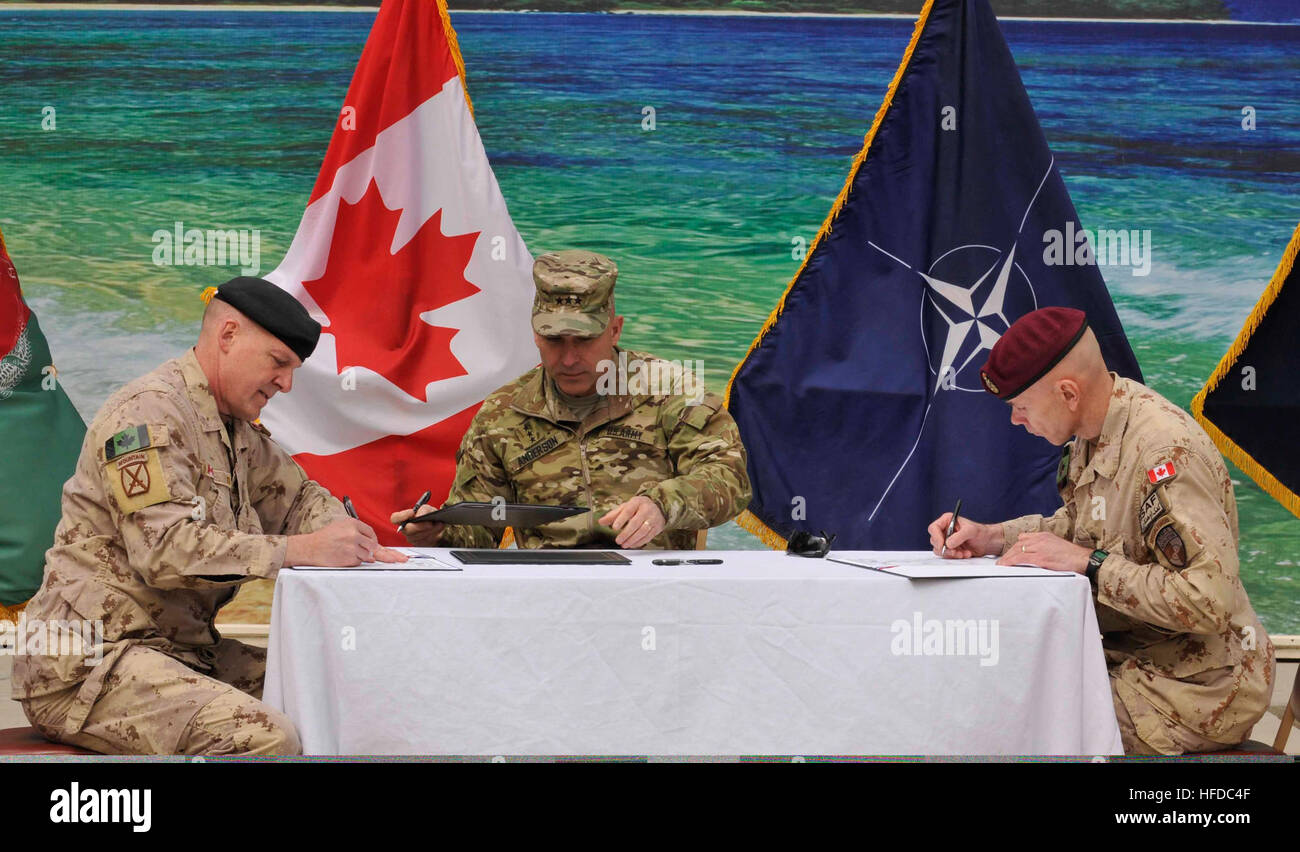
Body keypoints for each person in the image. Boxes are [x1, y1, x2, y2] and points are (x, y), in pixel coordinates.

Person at [11, 276, 406, 756]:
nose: (287, 383)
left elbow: (300, 501)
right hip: (89, 664)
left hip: (179, 654)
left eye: (294, 369)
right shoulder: (147, 416)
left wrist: (355, 540)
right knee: (265, 738)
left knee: (345, 693)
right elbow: (162, 550)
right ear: (228, 336)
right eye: (279, 363)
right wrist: (298, 552)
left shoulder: (237, 433)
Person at [927, 306, 1274, 755]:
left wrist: (1090, 566)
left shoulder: (1164, 454)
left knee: (1020, 723)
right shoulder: (1097, 431)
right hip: (1137, 658)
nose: (1016, 421)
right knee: (994, 691)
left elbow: (1209, 600)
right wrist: (992, 537)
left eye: (1021, 407)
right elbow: (1080, 527)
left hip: (1200, 688)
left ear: (1068, 392)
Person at [393, 250, 751, 550]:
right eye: (554, 341)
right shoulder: (503, 415)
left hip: (654, 588)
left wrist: (662, 505)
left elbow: (730, 479)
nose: (567, 359)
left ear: (615, 330)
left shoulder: (669, 390)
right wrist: (438, 532)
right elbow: (478, 531)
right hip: (548, 597)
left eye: (582, 341)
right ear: (535, 334)